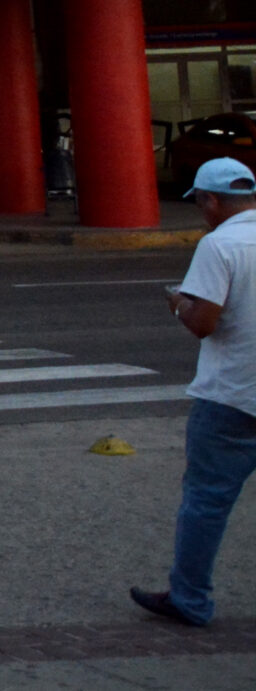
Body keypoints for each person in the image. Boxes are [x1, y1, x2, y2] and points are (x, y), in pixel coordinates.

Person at [133, 156, 256, 626]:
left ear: (210, 200)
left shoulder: (218, 245)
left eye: (201, 202)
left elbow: (204, 324)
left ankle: (190, 599)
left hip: (231, 396)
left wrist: (178, 304)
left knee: (206, 502)